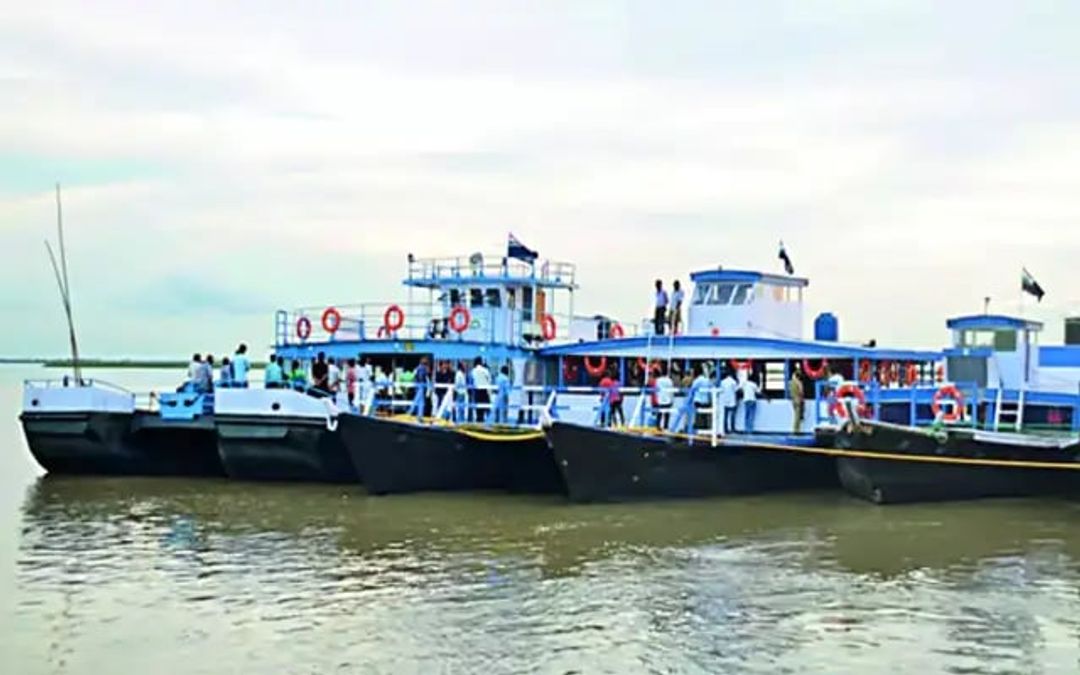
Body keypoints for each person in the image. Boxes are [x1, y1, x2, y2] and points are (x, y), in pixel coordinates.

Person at [654, 364, 675, 430]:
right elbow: (672, 391)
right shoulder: (669, 381)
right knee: (667, 415)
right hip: (668, 399)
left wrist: (657, 398)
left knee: (659, 414)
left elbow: (656, 390)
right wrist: (672, 400)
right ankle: (666, 427)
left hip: (660, 399)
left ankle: (658, 427)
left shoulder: (658, 380)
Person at [471, 357, 492, 422]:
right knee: (487, 409)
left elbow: (472, 381)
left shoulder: (473, 371)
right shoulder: (485, 370)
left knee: (478, 411)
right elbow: (490, 380)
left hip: (477, 391)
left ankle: (479, 422)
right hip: (485, 391)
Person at [718, 368, 738, 435]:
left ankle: (725, 429)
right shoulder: (733, 382)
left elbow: (721, 390)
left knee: (725, 416)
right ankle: (732, 429)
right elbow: (736, 390)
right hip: (732, 400)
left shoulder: (722, 382)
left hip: (724, 401)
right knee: (732, 416)